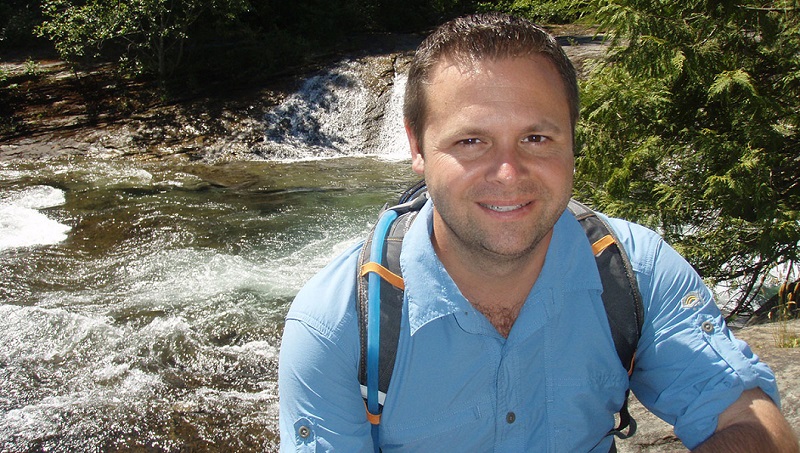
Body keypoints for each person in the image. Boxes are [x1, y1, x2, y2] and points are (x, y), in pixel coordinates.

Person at [278, 12, 799, 452]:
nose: (509, 173)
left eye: (536, 136)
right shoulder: (339, 324)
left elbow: (745, 416)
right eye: (471, 141)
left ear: (572, 138)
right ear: (416, 146)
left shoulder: (635, 273)